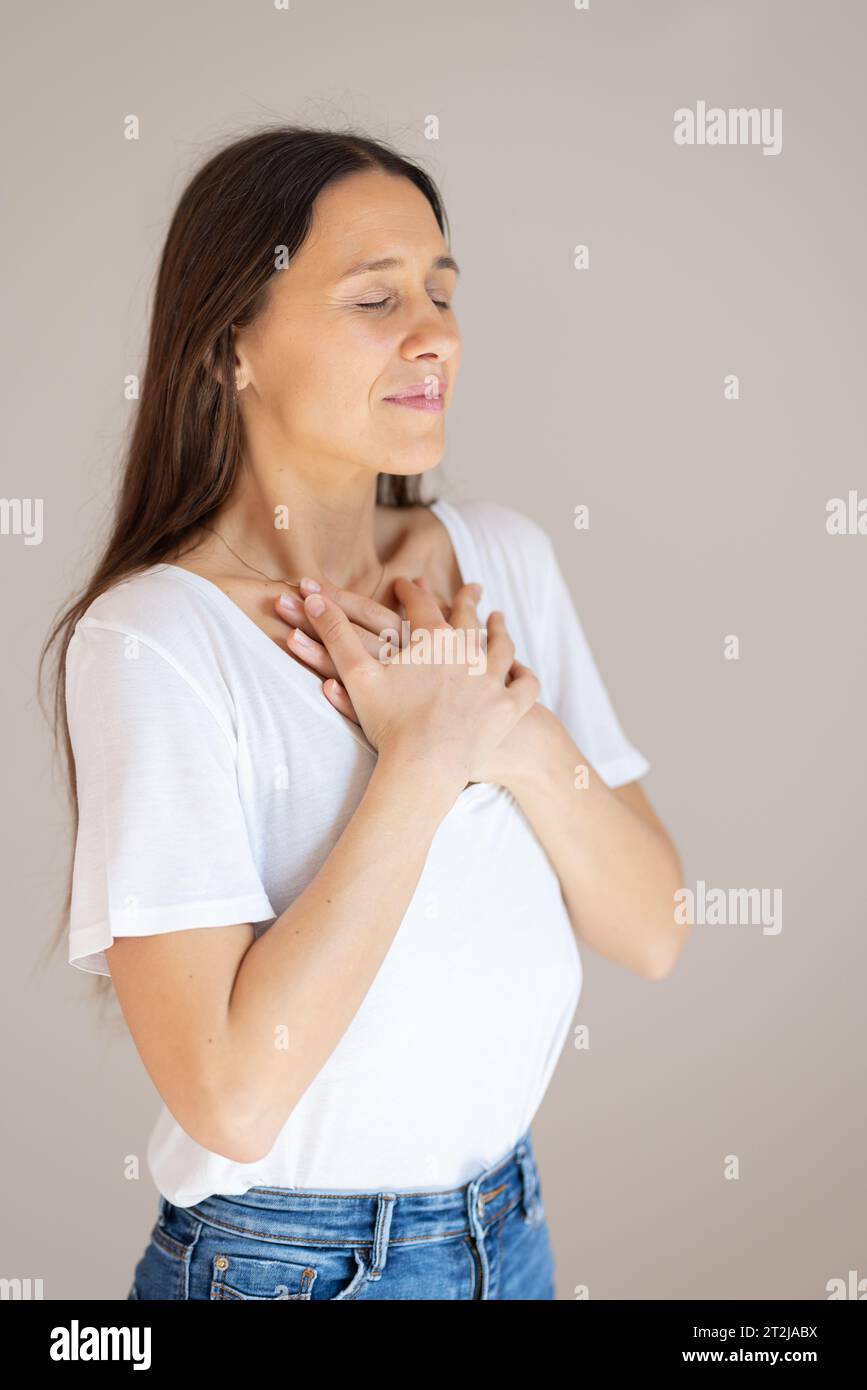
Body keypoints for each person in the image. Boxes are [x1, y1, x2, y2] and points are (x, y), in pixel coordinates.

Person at [42, 125, 686, 1300]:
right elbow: (230, 1096)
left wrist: (509, 727)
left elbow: (655, 924)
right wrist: (425, 758)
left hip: (510, 1231)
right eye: (374, 298)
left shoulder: (503, 563)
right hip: (288, 1272)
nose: (434, 332)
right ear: (230, 342)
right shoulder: (154, 642)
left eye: (441, 293)